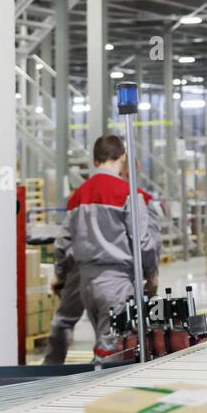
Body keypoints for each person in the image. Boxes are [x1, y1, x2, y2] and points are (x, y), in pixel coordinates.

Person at [44, 134, 160, 363]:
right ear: (123, 157)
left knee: (95, 336)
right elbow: (142, 241)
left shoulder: (77, 196)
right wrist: (151, 274)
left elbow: (62, 243)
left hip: (86, 282)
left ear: (95, 160)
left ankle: (51, 375)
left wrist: (61, 275)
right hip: (116, 282)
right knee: (110, 352)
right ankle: (96, 396)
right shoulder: (129, 193)